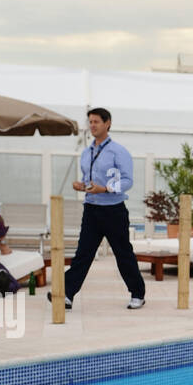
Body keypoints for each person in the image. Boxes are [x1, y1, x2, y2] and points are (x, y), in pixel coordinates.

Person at [51, 107, 146, 310]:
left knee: (123, 254)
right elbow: (89, 181)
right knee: (83, 254)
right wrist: (81, 185)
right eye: (90, 122)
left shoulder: (119, 152)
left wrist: (105, 188)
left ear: (107, 123)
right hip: (92, 210)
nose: (92, 125)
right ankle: (66, 293)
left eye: (96, 122)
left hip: (113, 211)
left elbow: (128, 181)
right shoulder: (87, 153)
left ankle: (138, 293)